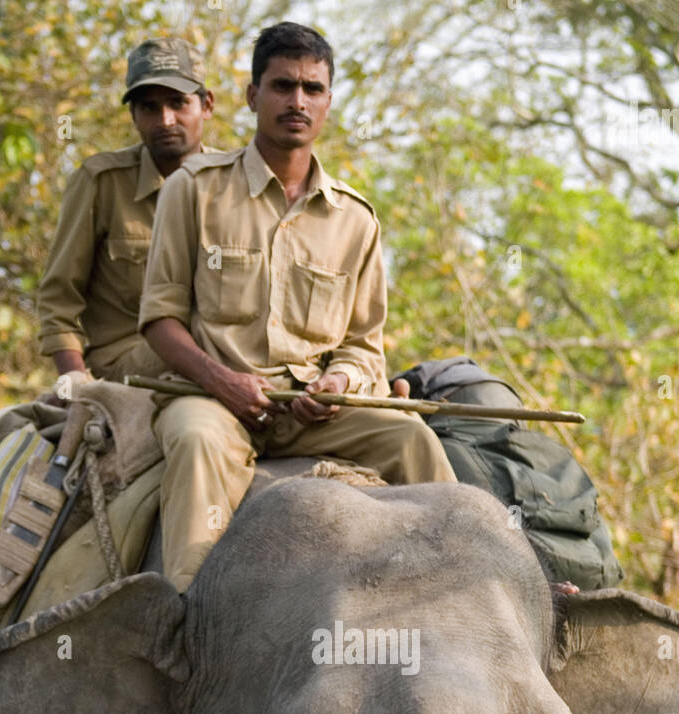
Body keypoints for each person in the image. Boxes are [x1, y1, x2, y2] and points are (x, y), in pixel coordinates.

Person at [139, 21, 456, 593]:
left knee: (413, 438)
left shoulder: (355, 219)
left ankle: (471, 577)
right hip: (214, 405)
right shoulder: (194, 189)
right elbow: (159, 319)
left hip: (311, 414)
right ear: (252, 95)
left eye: (313, 89)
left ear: (329, 101)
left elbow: (363, 345)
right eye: (283, 86)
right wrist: (224, 382)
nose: (298, 101)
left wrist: (337, 384)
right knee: (194, 443)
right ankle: (180, 613)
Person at [37, 36, 217, 392]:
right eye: (149, 108)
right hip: (128, 359)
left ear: (206, 105)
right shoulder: (101, 181)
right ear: (133, 115)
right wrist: (74, 380)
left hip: (212, 350)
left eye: (178, 103)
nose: (165, 120)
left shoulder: (232, 185)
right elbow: (59, 296)